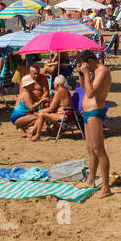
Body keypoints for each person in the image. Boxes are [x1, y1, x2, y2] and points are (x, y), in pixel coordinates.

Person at [77, 51, 112, 198]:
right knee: (90, 148)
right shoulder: (91, 71)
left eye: (85, 65)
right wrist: (81, 73)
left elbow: (91, 93)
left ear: (91, 61)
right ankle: (91, 179)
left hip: (95, 111)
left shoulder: (102, 71)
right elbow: (83, 87)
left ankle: (106, 187)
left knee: (99, 149)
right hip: (87, 112)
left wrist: (86, 73)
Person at [25, 75, 73, 141]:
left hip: (63, 115)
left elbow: (52, 108)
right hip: (68, 114)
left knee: (41, 114)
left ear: (58, 84)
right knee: (42, 113)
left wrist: (41, 111)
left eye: (54, 83)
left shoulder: (59, 92)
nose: (54, 84)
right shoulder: (65, 90)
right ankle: (32, 131)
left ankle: (37, 135)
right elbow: (60, 103)